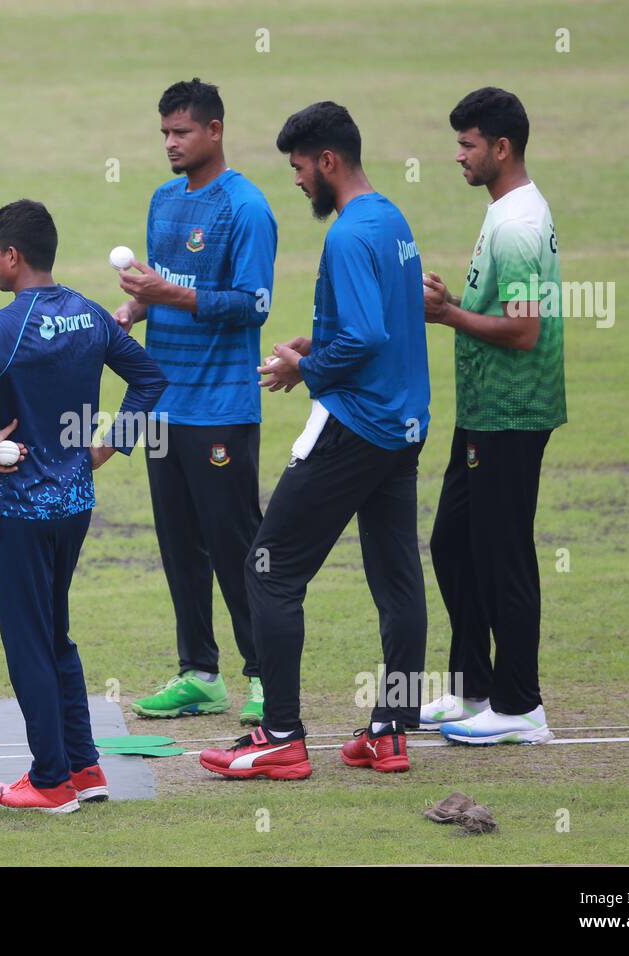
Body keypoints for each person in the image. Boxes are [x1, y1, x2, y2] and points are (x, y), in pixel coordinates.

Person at [200, 101, 430, 780]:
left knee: (268, 567)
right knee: (397, 579)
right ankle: (389, 732)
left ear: (328, 161)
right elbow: (381, 319)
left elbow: (368, 337)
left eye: (300, 168)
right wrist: (321, 341)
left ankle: (280, 736)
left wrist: (309, 368)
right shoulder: (390, 219)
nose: (298, 181)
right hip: (405, 425)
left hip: (356, 425)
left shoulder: (346, 236)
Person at [0, 200, 167, 812]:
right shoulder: (91, 315)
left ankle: (49, 780)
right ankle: (86, 768)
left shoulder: (5, 324)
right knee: (56, 635)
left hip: (20, 509)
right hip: (75, 503)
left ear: (12, 256)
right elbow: (149, 379)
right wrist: (109, 447)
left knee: (28, 643)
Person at [113, 78, 278, 725]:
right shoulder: (162, 201)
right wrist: (133, 305)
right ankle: (200, 675)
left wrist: (167, 293)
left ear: (214, 130)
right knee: (180, 547)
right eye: (164, 134)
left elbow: (252, 306)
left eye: (181, 132)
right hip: (164, 406)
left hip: (221, 409)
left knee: (237, 546)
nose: (171, 144)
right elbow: (162, 286)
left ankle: (266, 676)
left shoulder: (247, 208)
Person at [420, 87, 565, 745]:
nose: (459, 156)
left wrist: (449, 315)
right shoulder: (506, 211)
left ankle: (519, 706)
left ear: (500, 147)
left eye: (468, 144)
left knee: (504, 554)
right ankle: (474, 689)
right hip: (482, 411)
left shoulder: (518, 225)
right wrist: (455, 299)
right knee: (454, 542)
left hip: (511, 414)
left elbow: (524, 330)